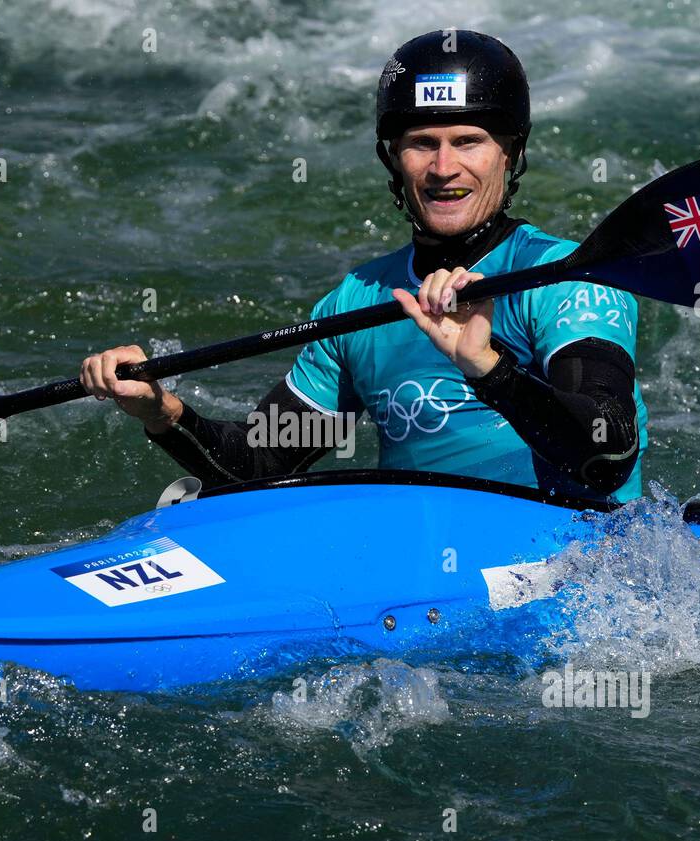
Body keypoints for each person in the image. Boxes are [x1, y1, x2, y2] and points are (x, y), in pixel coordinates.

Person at [80, 29, 647, 502]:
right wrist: (161, 411)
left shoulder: (564, 279)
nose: (443, 167)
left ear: (511, 153)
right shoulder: (358, 301)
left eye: (468, 141)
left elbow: (608, 455)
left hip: (579, 560)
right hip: (420, 564)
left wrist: (487, 366)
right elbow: (256, 468)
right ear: (391, 158)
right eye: (422, 143)